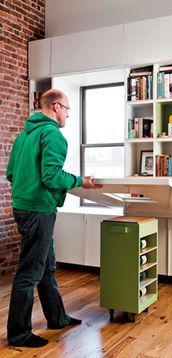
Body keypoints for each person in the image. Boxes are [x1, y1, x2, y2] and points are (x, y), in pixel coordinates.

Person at [6, 89, 102, 348]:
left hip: (23, 208)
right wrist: (81, 181)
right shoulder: (53, 135)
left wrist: (27, 194)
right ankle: (19, 334)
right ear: (57, 107)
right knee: (29, 272)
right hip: (39, 211)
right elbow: (51, 176)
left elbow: (11, 174)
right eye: (68, 110)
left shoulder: (24, 135)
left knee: (46, 266)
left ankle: (57, 318)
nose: (68, 116)